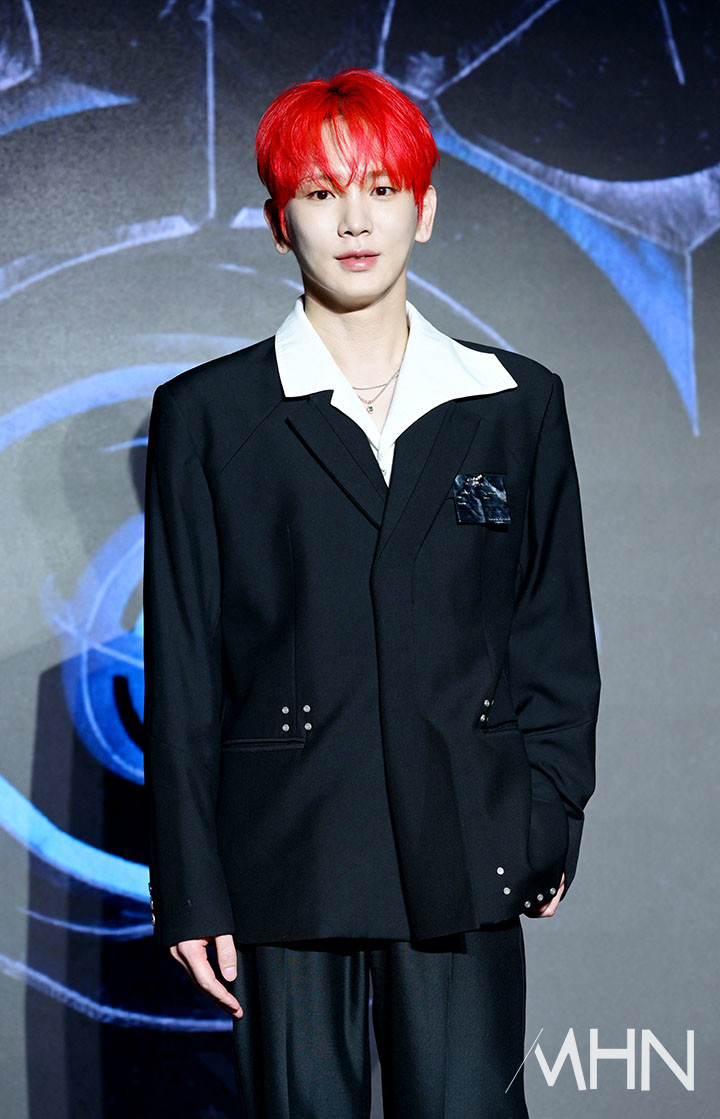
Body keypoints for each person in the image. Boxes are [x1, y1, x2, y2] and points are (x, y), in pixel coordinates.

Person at [142, 68, 601, 1118]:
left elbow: (552, 629)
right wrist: (191, 887)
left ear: (423, 211)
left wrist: (546, 816)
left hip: (467, 842)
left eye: (382, 188)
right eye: (321, 191)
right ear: (279, 222)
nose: (354, 220)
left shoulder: (515, 403)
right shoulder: (211, 414)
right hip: (284, 852)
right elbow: (185, 663)